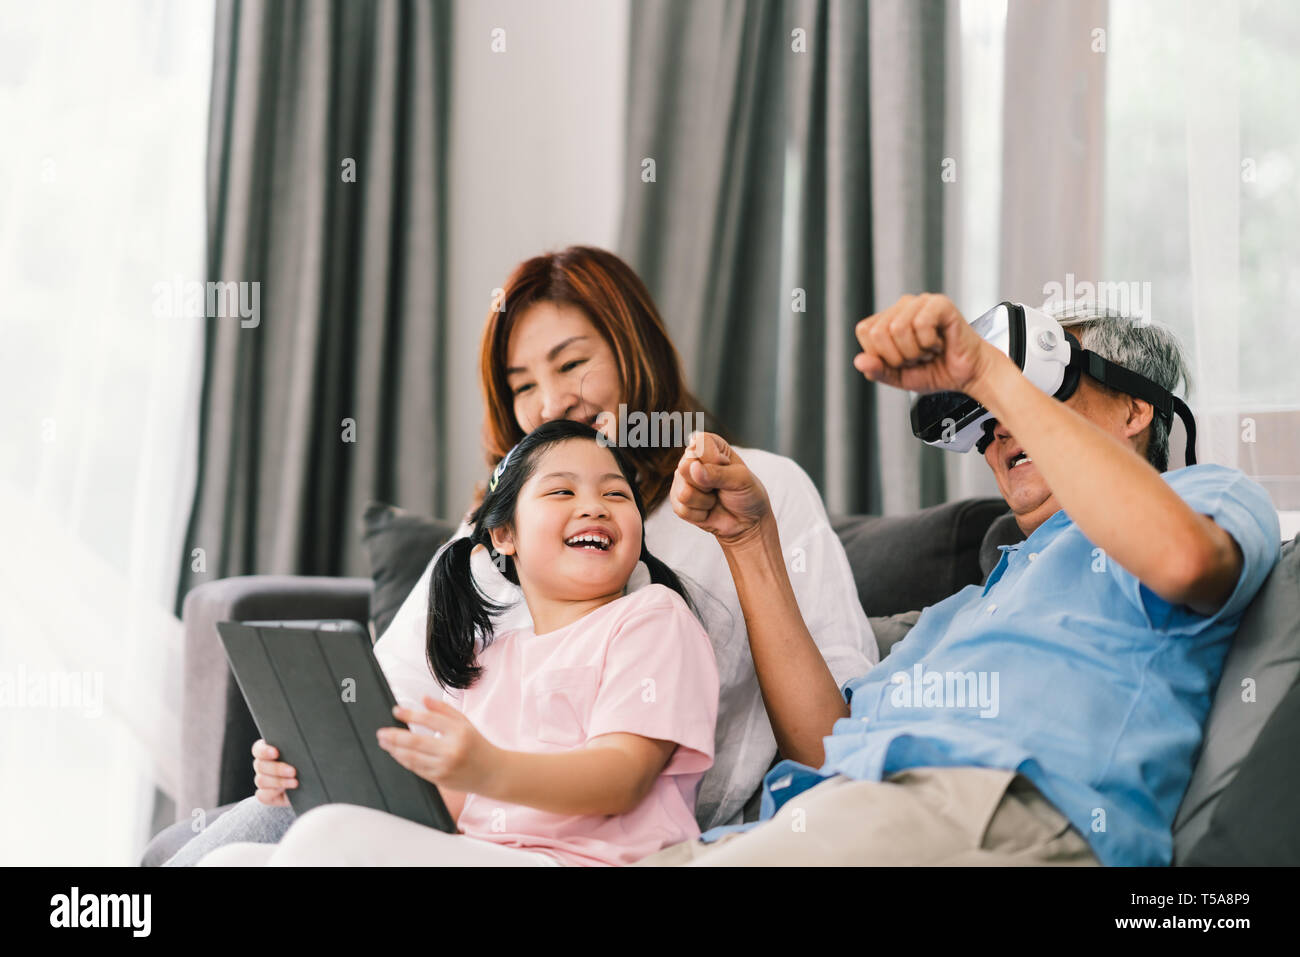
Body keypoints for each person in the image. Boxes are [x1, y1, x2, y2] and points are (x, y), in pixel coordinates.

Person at [163, 247, 873, 865]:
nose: (549, 401)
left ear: (636, 353)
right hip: (455, 824)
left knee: (291, 844)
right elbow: (396, 710)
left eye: (572, 364)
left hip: (587, 845)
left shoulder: (740, 503)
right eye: (522, 384)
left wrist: (746, 538)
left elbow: (830, 751)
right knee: (217, 851)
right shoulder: (495, 537)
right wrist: (312, 755)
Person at [635, 293, 1280, 867]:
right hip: (844, 813)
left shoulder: (1204, 493)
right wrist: (748, 541)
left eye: (1042, 383)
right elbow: (825, 748)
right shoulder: (964, 611)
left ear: (1137, 408)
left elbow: (1185, 562)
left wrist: (988, 372)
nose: (998, 426)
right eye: (986, 412)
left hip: (999, 808)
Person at [196, 420, 718, 866]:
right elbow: (437, 811)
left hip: (581, 862)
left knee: (325, 840)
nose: (595, 507)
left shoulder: (652, 618)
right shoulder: (488, 658)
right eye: (563, 491)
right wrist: (313, 780)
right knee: (230, 860)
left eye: (615, 494)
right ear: (503, 535)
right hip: (480, 854)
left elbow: (623, 778)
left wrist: (490, 768)